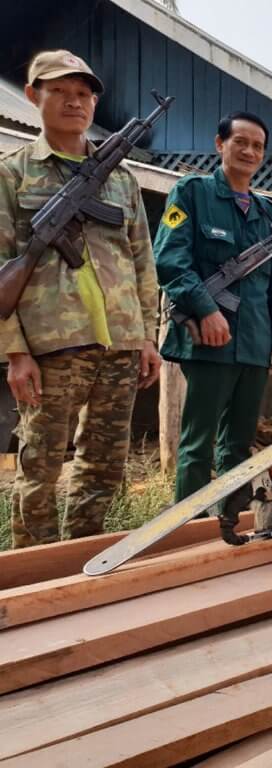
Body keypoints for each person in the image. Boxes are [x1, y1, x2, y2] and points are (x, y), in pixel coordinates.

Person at [0, 50, 160, 548]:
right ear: (33, 96)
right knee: (41, 466)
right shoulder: (12, 174)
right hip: (51, 346)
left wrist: (147, 337)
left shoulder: (121, 179)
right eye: (60, 91)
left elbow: (142, 261)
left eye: (84, 93)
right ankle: (36, 569)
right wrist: (15, 352)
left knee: (104, 466)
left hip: (120, 344)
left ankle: (85, 558)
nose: (75, 102)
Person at [155, 111, 272, 504]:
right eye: (240, 142)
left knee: (238, 445)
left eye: (258, 146)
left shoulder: (268, 213)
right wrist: (205, 309)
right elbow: (169, 260)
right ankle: (190, 526)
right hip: (209, 341)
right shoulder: (192, 193)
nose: (249, 151)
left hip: (255, 343)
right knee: (198, 444)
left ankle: (232, 520)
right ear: (220, 144)